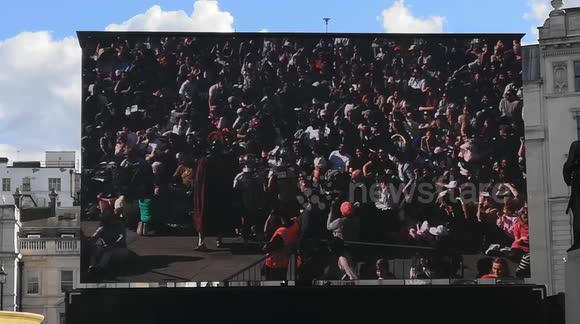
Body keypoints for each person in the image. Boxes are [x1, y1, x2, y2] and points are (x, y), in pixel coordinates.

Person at [564, 140, 580, 251]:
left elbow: (568, 165)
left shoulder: (576, 145)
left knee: (578, 213)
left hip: (578, 182)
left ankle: (578, 242)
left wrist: (568, 178)